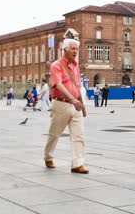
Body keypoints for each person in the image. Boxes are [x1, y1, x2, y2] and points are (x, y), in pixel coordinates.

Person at [44, 38, 88, 174]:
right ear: (65, 50)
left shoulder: (75, 65)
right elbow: (58, 85)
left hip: (75, 105)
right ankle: (48, 156)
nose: (75, 51)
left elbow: (78, 85)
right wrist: (72, 99)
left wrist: (80, 101)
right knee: (54, 134)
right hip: (61, 104)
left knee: (78, 135)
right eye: (73, 49)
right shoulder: (56, 65)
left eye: (77, 49)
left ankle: (77, 163)